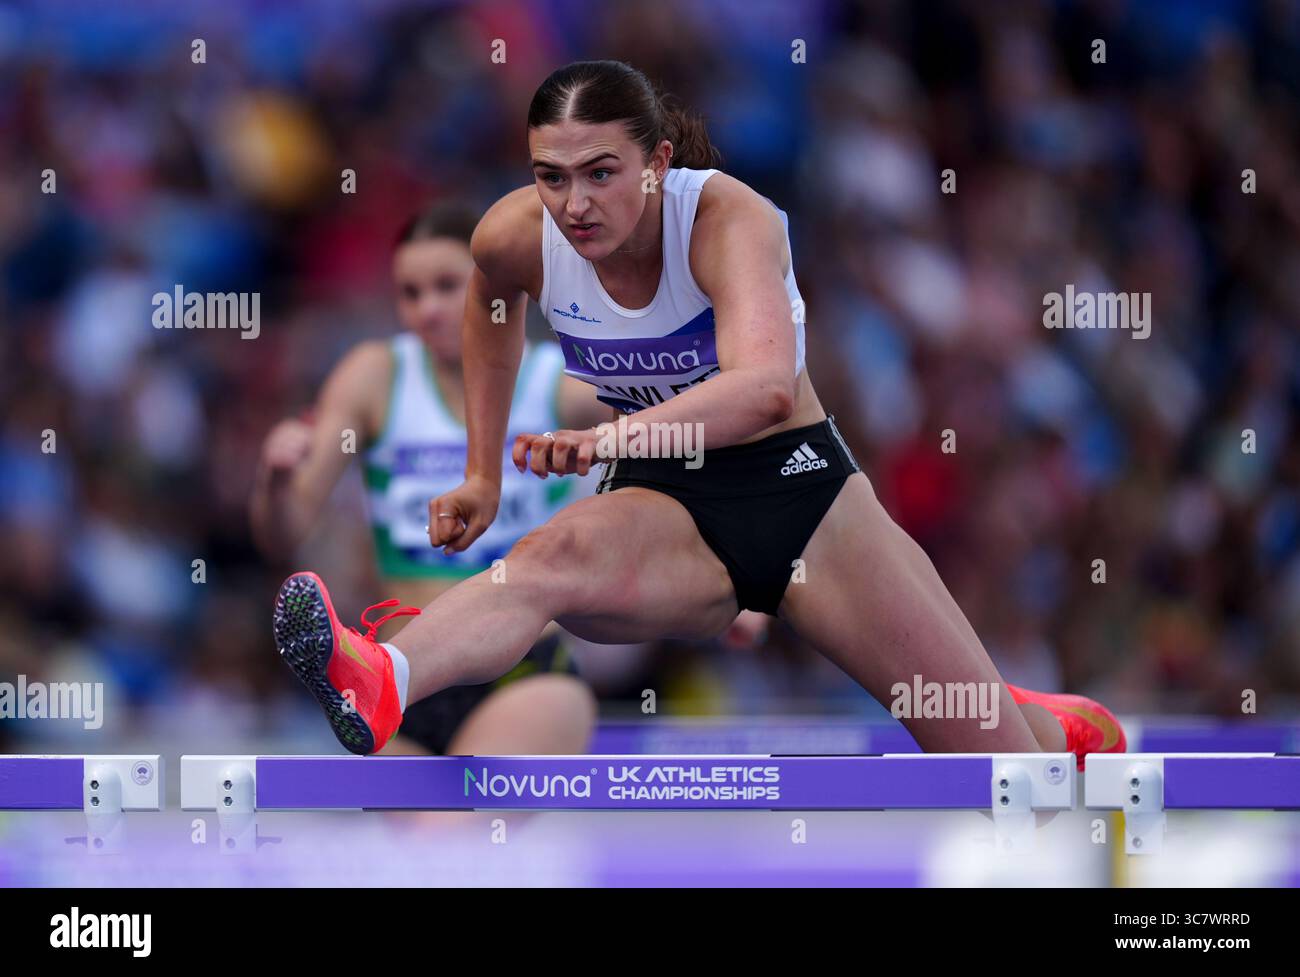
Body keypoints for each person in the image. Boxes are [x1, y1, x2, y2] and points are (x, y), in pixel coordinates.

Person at [271, 60, 1126, 769]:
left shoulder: (726, 219)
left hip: (801, 499)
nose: (575, 206)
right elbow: (489, 308)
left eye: (602, 173)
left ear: (658, 163)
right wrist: (483, 474)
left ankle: (1044, 727)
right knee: (548, 558)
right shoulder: (512, 236)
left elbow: (762, 388)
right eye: (552, 177)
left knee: (1000, 769)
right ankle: (380, 673)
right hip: (666, 504)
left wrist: (609, 436)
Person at [252, 202, 605, 758]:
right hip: (400, 685)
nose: (428, 309)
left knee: (458, 837)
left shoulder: (552, 382)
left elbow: (681, 427)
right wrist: (275, 478)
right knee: (419, 845)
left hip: (524, 674)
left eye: (447, 286)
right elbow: (282, 534)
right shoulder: (373, 376)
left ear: (492, 287)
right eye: (410, 293)